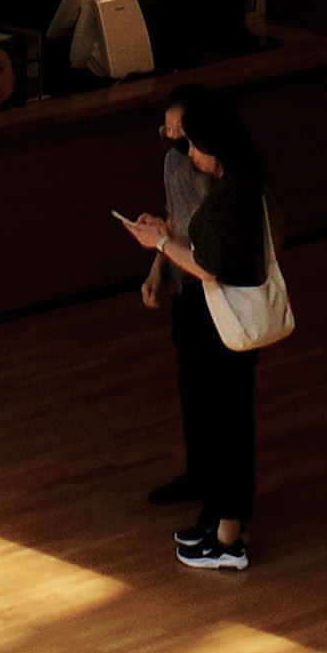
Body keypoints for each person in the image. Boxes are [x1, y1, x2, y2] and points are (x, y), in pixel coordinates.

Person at [119, 85, 275, 575]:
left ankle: (229, 539)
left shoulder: (234, 192)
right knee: (215, 415)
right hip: (211, 312)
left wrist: (161, 243)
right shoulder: (231, 179)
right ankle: (218, 520)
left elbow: (207, 265)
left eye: (194, 144)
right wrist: (163, 244)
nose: (186, 151)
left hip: (227, 314)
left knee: (229, 422)